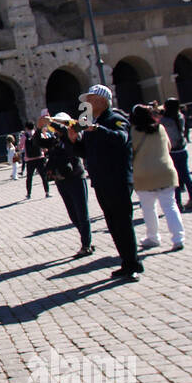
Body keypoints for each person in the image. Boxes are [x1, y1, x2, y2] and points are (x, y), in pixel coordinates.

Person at [67, 85, 142, 281]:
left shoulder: (115, 119)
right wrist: (74, 141)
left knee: (123, 224)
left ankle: (133, 264)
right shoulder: (95, 124)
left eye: (90, 99)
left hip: (117, 180)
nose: (87, 104)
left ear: (101, 101)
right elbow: (86, 152)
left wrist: (97, 129)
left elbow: (121, 139)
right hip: (101, 182)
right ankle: (126, 262)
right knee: (113, 224)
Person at [130, 105, 185, 250]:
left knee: (149, 208)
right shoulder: (160, 128)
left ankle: (153, 237)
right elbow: (168, 146)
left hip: (143, 174)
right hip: (165, 171)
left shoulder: (133, 132)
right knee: (170, 206)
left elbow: (130, 153)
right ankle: (178, 238)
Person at [40, 113, 93, 257]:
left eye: (61, 123)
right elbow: (38, 143)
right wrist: (39, 129)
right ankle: (86, 239)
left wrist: (52, 121)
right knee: (73, 214)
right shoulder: (55, 139)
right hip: (62, 180)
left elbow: (66, 131)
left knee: (82, 213)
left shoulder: (72, 134)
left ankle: (86, 244)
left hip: (76, 177)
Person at [160, 98, 192, 211]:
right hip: (182, 149)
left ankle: (178, 202)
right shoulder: (180, 116)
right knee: (186, 175)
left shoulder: (165, 120)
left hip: (172, 151)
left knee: (174, 179)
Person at [21, 122, 50, 198]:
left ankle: (29, 194)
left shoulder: (24, 136)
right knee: (43, 176)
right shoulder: (38, 134)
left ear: (26, 128)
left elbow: (20, 147)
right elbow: (44, 144)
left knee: (29, 177)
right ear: (33, 127)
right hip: (40, 157)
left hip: (29, 159)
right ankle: (47, 192)